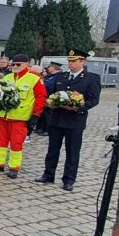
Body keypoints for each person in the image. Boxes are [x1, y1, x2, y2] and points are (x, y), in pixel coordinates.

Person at [35, 49, 101, 191]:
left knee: (72, 151)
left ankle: (69, 179)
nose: (70, 64)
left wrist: (78, 107)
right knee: (52, 149)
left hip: (74, 120)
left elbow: (94, 100)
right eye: (69, 61)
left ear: (83, 61)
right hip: (57, 118)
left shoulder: (91, 78)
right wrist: (51, 103)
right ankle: (48, 174)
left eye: (74, 61)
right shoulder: (61, 76)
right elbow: (52, 93)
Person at [0, 54, 46, 178]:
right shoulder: (7, 77)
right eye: (13, 64)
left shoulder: (34, 79)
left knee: (16, 143)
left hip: (20, 118)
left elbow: (41, 98)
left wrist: (35, 116)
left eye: (18, 64)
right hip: (3, 116)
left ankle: (14, 167)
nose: (15, 66)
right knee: (0, 142)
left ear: (27, 64)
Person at [36, 61, 64, 135]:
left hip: (51, 97)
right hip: (45, 97)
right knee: (44, 114)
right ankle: (41, 128)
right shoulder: (49, 76)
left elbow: (51, 87)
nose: (48, 68)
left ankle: (47, 129)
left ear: (54, 67)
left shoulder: (58, 76)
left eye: (50, 67)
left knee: (49, 115)